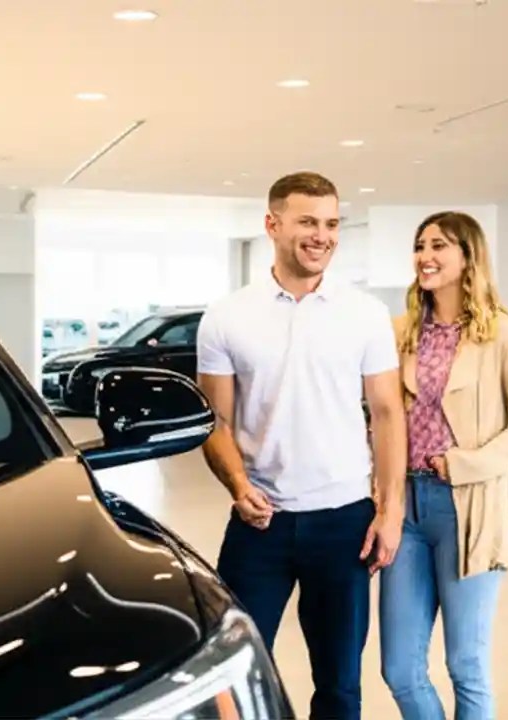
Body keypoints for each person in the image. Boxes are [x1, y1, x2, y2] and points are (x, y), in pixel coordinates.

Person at [195, 171, 407, 720]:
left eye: (333, 223)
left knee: (339, 684)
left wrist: (391, 510)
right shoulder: (227, 315)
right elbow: (215, 420)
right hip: (258, 524)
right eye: (308, 221)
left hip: (344, 523)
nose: (323, 235)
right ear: (273, 224)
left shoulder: (365, 313)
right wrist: (239, 485)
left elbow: (387, 413)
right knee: (231, 674)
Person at [379, 211, 508, 720]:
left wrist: (467, 464)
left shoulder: (501, 333)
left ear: (468, 256)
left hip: (466, 509)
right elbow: (382, 415)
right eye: (420, 245)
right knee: (400, 670)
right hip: (403, 510)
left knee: (466, 664)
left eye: (439, 246)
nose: (425, 256)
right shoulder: (401, 330)